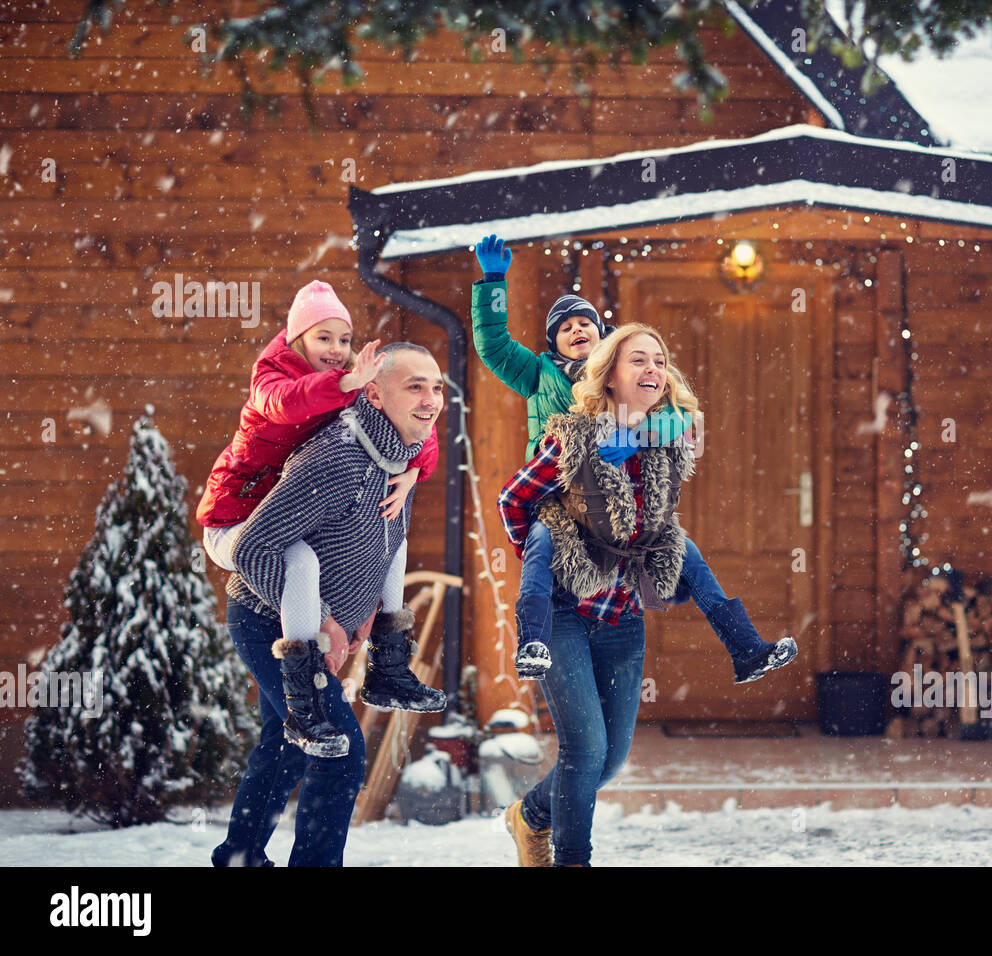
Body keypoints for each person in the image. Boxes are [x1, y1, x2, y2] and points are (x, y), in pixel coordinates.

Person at [471, 234, 797, 684]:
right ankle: (532, 643)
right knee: (541, 548)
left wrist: (642, 434)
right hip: (560, 490)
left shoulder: (622, 375)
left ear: (602, 339)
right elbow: (493, 346)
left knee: (689, 554)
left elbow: (679, 414)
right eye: (565, 328)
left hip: (618, 493)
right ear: (552, 342)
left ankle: (746, 648)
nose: (577, 331)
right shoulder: (538, 373)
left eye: (585, 323)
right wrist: (492, 282)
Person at [211, 343, 447, 867]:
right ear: (373, 395)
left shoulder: (398, 455)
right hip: (268, 619)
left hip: (323, 619)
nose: (431, 399)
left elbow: (379, 539)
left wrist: (363, 612)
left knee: (286, 745)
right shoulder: (339, 457)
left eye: (436, 387)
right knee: (339, 750)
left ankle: (239, 857)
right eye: (414, 386)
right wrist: (322, 624)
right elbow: (254, 548)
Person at [197, 281, 440, 755]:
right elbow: (290, 403)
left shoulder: (351, 381)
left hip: (280, 513)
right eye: (322, 337)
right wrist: (328, 622)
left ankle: (389, 665)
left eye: (344, 339)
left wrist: (413, 469)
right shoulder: (272, 378)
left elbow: (409, 423)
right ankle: (305, 700)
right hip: (234, 520)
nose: (336, 349)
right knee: (302, 561)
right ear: (295, 339)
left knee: (396, 531)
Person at [497, 323, 706, 867]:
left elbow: (662, 509)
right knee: (585, 750)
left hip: (621, 618)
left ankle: (529, 816)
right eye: (638, 360)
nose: (652, 371)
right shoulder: (574, 435)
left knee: (609, 761)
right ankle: (573, 857)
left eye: (660, 361)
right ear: (608, 374)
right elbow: (513, 499)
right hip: (565, 613)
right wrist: (544, 551)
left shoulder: (660, 442)